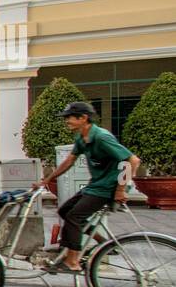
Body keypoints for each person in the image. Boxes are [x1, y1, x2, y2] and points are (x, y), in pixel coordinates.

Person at [34, 101, 140, 274]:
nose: (66, 121)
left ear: (83, 118)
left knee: (74, 217)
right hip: (96, 185)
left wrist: (120, 190)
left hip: (108, 188)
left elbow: (132, 161)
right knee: (64, 211)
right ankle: (103, 242)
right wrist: (47, 180)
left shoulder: (101, 137)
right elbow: (69, 160)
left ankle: (72, 262)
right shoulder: (82, 137)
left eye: (69, 117)